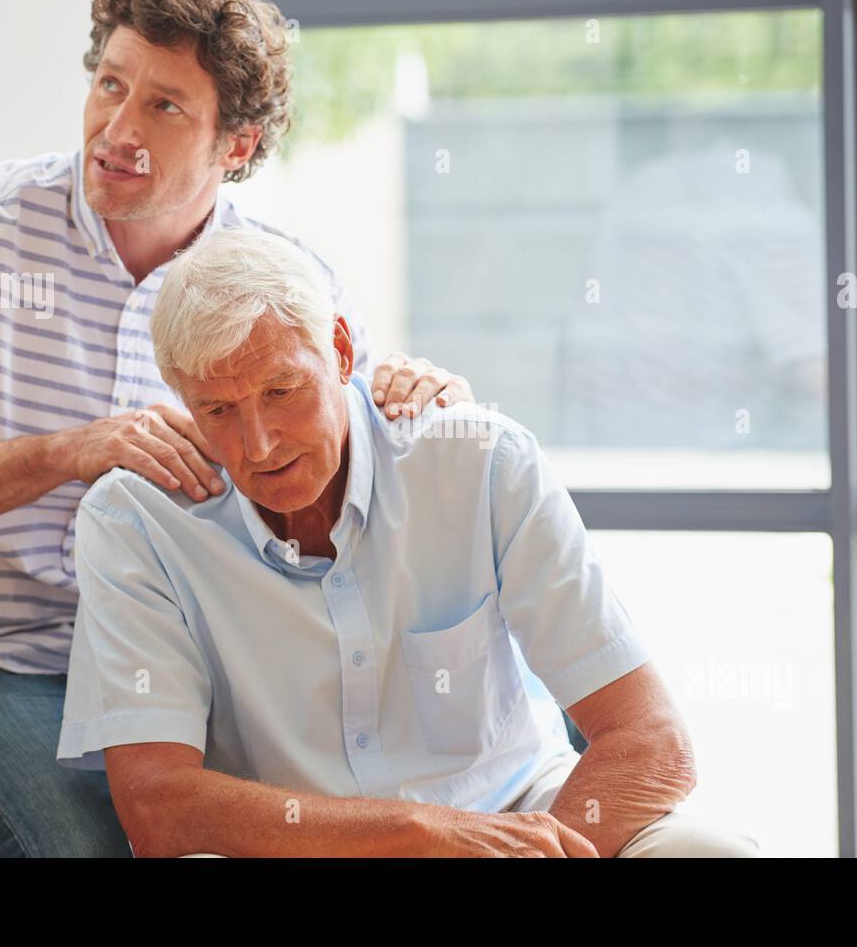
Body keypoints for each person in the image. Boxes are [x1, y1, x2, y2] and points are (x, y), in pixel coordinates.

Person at [0, 0, 469, 857]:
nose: (117, 128)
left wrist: (418, 396)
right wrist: (67, 453)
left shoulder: (284, 274)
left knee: (500, 733)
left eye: (163, 106)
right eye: (110, 85)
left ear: (237, 145)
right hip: (8, 664)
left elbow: (358, 474)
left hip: (225, 664)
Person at [57, 226, 760, 857]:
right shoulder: (134, 520)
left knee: (710, 851)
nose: (259, 443)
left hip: (517, 813)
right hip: (294, 848)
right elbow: (158, 803)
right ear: (183, 398)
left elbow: (653, 739)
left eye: (281, 390)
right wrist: (413, 833)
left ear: (337, 349)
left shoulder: (479, 460)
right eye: (218, 410)